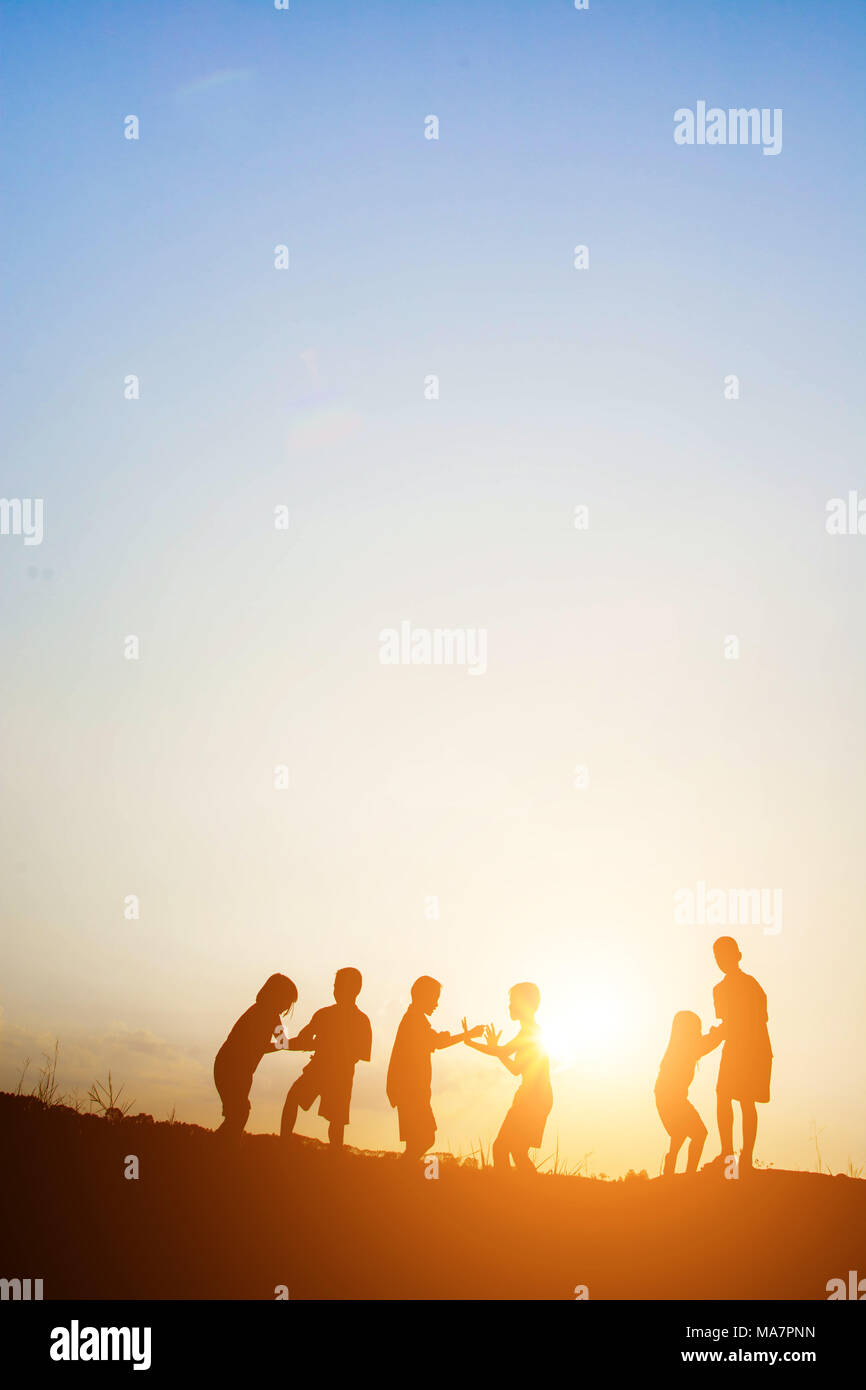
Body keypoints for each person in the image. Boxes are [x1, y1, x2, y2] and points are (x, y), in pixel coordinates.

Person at [386, 976, 482, 1161]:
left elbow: (435, 1041)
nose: (436, 1004)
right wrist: (468, 1035)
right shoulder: (414, 1021)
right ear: (422, 996)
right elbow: (437, 1042)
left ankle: (405, 1174)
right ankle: (402, 1170)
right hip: (409, 1091)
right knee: (425, 1138)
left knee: (418, 1140)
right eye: (434, 998)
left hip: (411, 1091)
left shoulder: (414, 1020)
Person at [465, 982, 553, 1174]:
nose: (509, 1006)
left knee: (502, 1148)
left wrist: (470, 1042)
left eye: (512, 1001)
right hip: (533, 1097)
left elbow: (503, 1051)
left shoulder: (530, 1032)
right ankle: (524, 1194)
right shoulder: (527, 1032)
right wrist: (498, 1050)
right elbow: (515, 1068)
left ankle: (505, 1192)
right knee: (517, 1151)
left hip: (533, 1099)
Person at [280, 967, 372, 1149]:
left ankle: (332, 1159)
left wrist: (326, 1048)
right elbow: (303, 1040)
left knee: (336, 1123)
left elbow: (358, 1054)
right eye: (336, 986)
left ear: (356, 990)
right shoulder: (328, 1015)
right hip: (325, 1072)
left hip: (337, 1075)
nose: (336, 991)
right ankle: (284, 1144)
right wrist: (279, 1044)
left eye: (340, 986)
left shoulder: (359, 1021)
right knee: (296, 1100)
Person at [709, 936, 773, 1174]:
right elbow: (727, 1022)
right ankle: (729, 1157)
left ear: (737, 955)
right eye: (717, 957)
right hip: (737, 1048)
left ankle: (743, 1159)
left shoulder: (751, 985)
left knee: (745, 1100)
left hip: (753, 1049)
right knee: (725, 1096)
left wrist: (713, 1037)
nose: (720, 961)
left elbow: (758, 1018)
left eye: (724, 955)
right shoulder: (720, 989)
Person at [214, 973, 298, 1139]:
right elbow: (262, 1046)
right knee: (239, 1114)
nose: (287, 1006)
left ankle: (220, 1150)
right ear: (276, 995)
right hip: (230, 1068)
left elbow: (283, 1043)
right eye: (287, 1000)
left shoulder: (273, 1017)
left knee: (237, 1115)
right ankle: (217, 1151)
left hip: (242, 1071)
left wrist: (305, 1044)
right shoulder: (259, 1013)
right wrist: (298, 1044)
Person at [654, 1011, 722, 1175]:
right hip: (672, 1099)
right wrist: (720, 1033)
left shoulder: (679, 1048)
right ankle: (689, 1174)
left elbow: (705, 1043)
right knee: (699, 1134)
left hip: (668, 1098)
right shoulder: (685, 1048)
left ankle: (670, 1170)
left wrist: (716, 1034)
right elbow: (706, 1044)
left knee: (680, 1133)